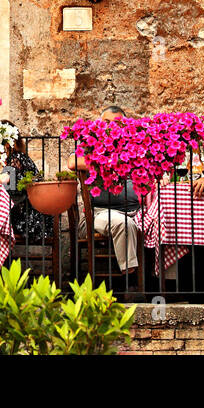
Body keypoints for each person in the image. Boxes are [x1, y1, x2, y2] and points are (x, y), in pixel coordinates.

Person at [71, 106, 144, 294]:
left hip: (138, 211)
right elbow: (73, 162)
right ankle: (130, 282)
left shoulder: (133, 145)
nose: (111, 128)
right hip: (100, 214)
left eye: (116, 124)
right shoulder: (91, 145)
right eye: (106, 123)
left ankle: (166, 285)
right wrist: (111, 160)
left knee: (165, 220)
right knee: (122, 223)